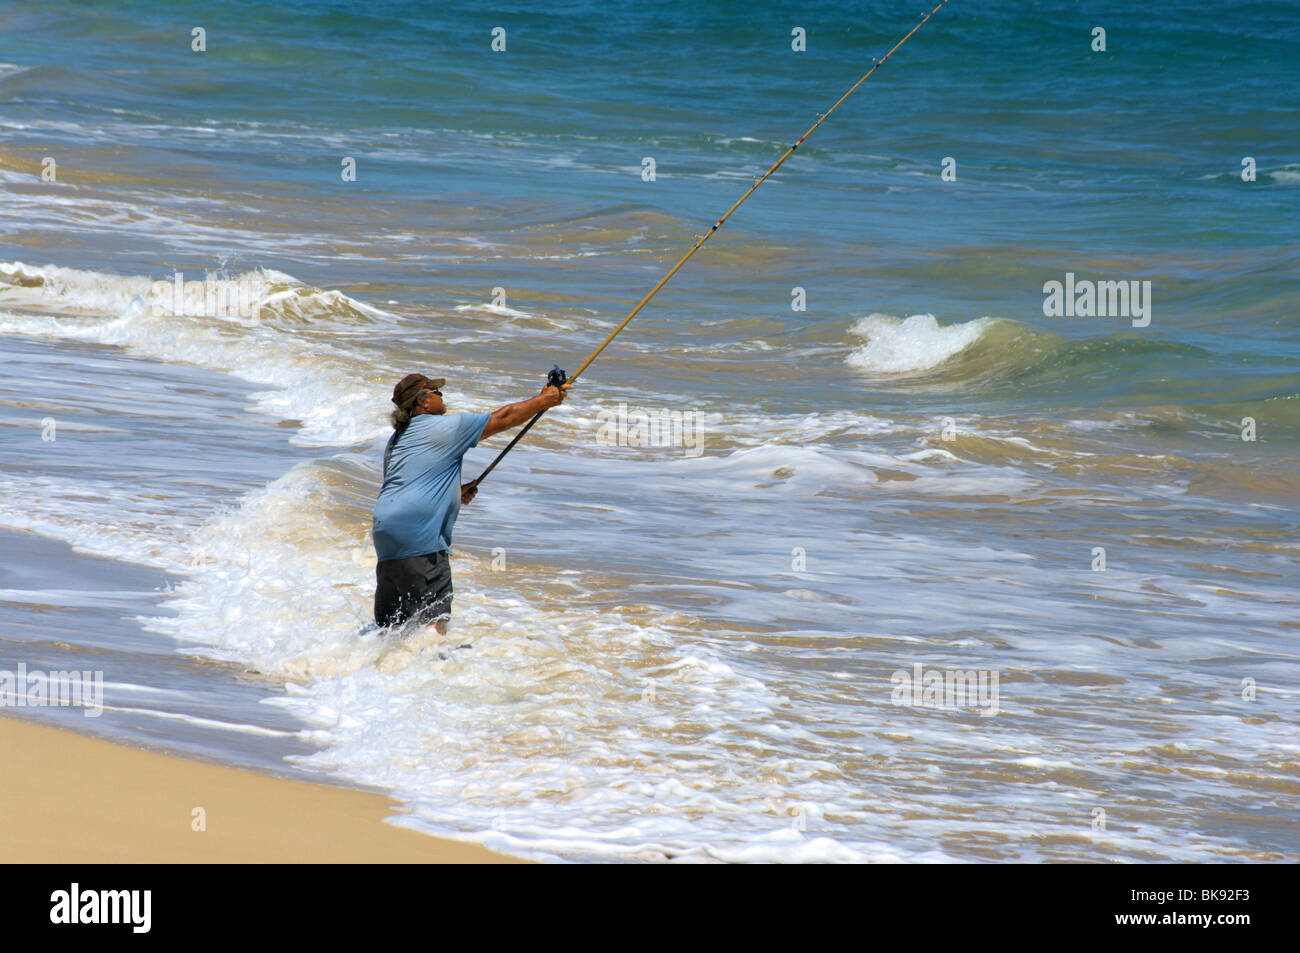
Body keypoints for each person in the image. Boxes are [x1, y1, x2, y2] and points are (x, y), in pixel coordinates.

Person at [371, 372, 570, 635]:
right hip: (419, 537)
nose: (442, 396)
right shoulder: (446, 427)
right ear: (423, 402)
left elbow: (407, 484)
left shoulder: (397, 440)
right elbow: (505, 417)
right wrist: (545, 399)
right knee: (434, 624)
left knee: (392, 632)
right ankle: (434, 669)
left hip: (386, 538)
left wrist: (453, 492)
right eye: (436, 392)